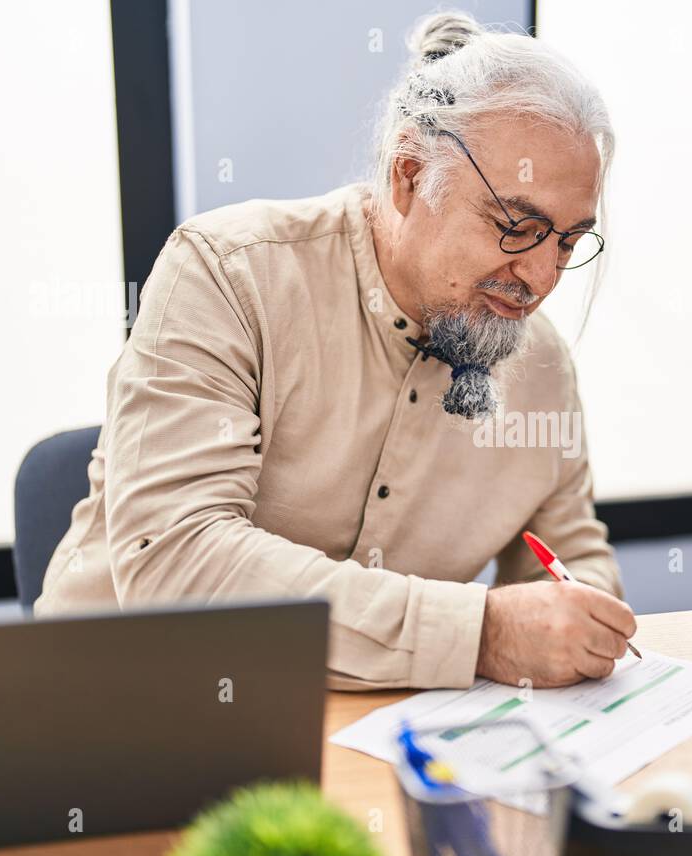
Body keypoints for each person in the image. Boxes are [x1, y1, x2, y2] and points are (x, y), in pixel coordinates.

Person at [35, 11, 635, 690]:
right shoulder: (229, 274)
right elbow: (177, 564)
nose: (543, 278)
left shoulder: (539, 362)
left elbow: (569, 552)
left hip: (366, 734)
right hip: (130, 708)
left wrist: (580, 621)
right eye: (517, 226)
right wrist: (479, 634)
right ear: (409, 176)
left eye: (569, 241)